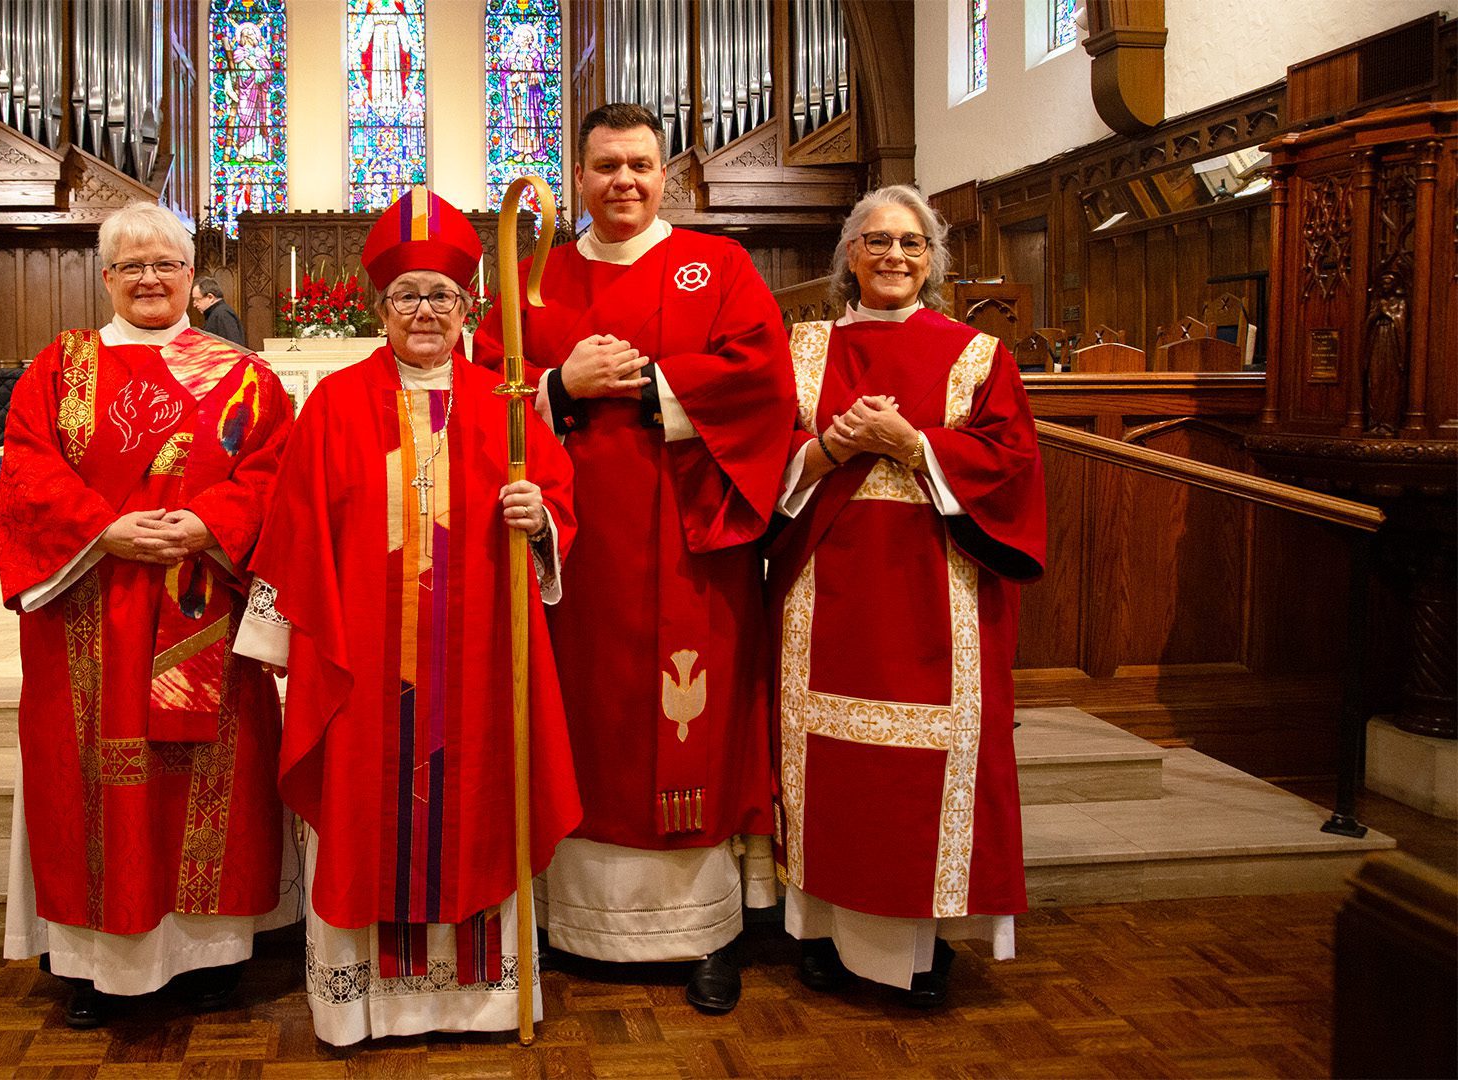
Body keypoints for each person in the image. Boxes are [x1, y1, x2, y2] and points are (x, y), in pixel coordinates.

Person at [233, 186, 583, 1046]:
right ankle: (363, 1008)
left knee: (479, 804)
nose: (425, 311)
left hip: (477, 663)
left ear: (468, 307)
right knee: (368, 813)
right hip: (364, 667)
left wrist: (540, 519)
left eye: (442, 296)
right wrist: (289, 645)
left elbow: (558, 503)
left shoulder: (506, 402)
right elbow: (296, 532)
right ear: (378, 307)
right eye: (407, 296)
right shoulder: (334, 404)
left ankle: (483, 1000)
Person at [470, 102, 795, 1013]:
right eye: (606, 165)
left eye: (641, 166)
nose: (624, 181)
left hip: (689, 549)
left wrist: (656, 381)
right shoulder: (533, 276)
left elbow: (766, 380)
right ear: (577, 176)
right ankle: (567, 924)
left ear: (667, 177)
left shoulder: (718, 267)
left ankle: (703, 938)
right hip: (566, 550)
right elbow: (481, 386)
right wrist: (558, 388)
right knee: (579, 716)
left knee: (689, 716)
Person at [0, 201, 299, 1029]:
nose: (150, 279)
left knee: (207, 783)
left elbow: (277, 471)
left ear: (193, 274)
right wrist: (104, 529)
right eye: (131, 266)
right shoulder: (61, 368)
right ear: (105, 278)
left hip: (204, 608)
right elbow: (26, 469)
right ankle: (94, 963)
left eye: (164, 263)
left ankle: (209, 958)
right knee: (93, 781)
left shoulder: (245, 376)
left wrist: (212, 524)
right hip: (89, 611)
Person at [769, 185, 1046, 1009]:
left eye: (912, 244)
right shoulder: (802, 348)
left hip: (937, 593)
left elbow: (1012, 464)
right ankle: (818, 933)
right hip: (822, 589)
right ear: (849, 254)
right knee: (826, 760)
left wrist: (915, 446)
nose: (894, 256)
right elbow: (757, 451)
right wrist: (825, 448)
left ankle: (920, 946)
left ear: (933, 261)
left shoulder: (976, 355)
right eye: (877, 241)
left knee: (920, 771)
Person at [192, 276, 247, 348]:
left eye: (197, 299)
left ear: (210, 297)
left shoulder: (222, 314)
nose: (194, 304)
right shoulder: (216, 314)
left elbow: (233, 348)